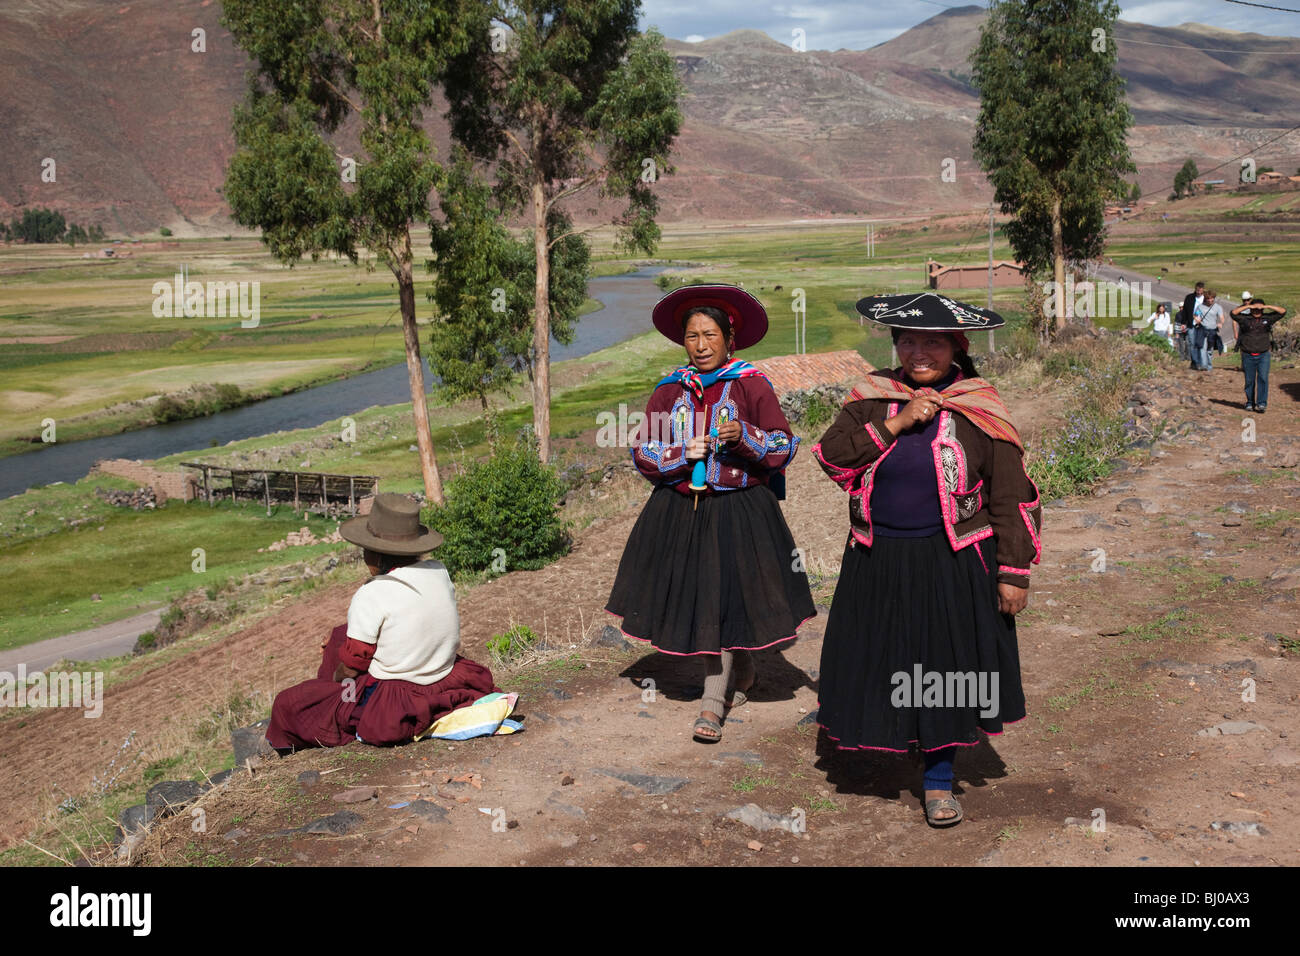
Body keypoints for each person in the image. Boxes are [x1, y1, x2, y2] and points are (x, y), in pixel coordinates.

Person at [813, 315, 1040, 828]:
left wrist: (1014, 570)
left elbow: (1009, 493)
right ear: (895, 345)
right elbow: (832, 459)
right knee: (882, 657)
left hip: (952, 560)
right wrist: (897, 422)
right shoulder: (872, 397)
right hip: (876, 557)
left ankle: (938, 779)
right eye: (909, 341)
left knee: (944, 668)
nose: (920, 352)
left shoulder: (980, 406)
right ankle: (894, 743)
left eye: (933, 342)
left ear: (955, 348)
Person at [605, 284, 815, 743]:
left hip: (740, 510)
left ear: (729, 338)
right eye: (692, 336)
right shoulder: (669, 391)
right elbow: (644, 451)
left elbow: (784, 444)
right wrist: (682, 452)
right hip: (682, 511)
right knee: (706, 599)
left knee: (727, 598)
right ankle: (729, 681)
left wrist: (744, 436)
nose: (701, 346)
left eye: (710, 335)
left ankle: (711, 702)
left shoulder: (751, 384)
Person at [266, 493, 498, 750]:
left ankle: (332, 703)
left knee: (287, 704)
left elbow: (352, 668)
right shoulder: (438, 570)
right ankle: (333, 694)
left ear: (376, 556)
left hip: (398, 696)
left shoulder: (372, 593)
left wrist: (337, 678)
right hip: (443, 672)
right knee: (339, 635)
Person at [1231, 297, 1288, 413]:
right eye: (1255, 309)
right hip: (1248, 354)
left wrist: (1266, 307)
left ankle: (1261, 403)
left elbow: (1283, 311)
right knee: (1249, 380)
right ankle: (1250, 402)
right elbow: (1233, 313)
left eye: (1259, 309)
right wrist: (1249, 306)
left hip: (1263, 355)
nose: (1257, 311)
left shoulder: (1268, 318)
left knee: (1263, 378)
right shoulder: (1244, 319)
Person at [1193, 289, 1227, 371]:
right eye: (1208, 299)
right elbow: (1195, 315)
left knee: (1210, 350)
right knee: (1202, 348)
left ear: (1214, 298)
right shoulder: (1200, 307)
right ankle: (1204, 366)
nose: (1210, 300)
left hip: (1213, 330)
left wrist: (1221, 323)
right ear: (1205, 298)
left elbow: (1222, 318)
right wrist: (1197, 319)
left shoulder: (1218, 307)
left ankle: (1209, 366)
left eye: (1211, 298)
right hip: (1203, 329)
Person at [1180, 282, 1205, 366]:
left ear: (1203, 290)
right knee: (1192, 343)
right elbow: (1185, 311)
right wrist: (1183, 323)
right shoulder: (1189, 298)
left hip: (1202, 324)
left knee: (1201, 344)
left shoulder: (1206, 298)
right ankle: (1195, 362)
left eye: (1200, 290)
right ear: (1195, 289)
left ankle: (1201, 361)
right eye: (1197, 290)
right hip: (1191, 324)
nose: (1198, 292)